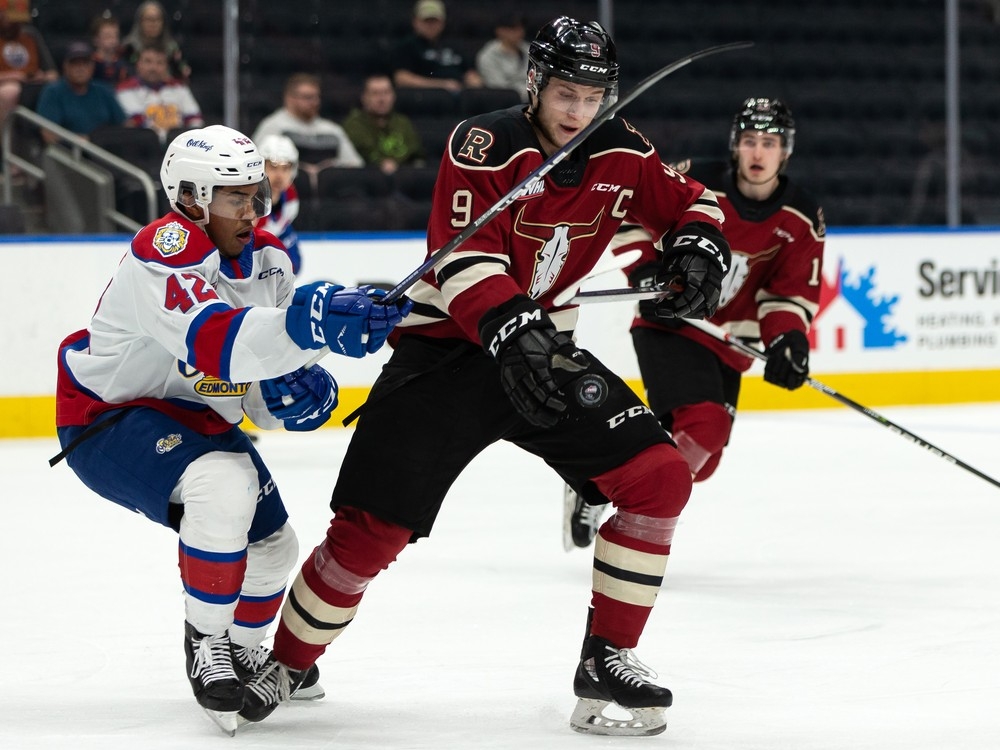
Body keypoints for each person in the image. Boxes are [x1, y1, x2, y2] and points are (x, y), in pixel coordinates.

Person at [238, 17, 731, 738]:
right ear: (534, 83)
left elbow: (693, 201)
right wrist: (512, 327)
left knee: (659, 475)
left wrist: (696, 248)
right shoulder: (484, 143)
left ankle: (609, 656)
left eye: (592, 95)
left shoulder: (624, 150)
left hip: (544, 353)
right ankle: (287, 660)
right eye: (565, 91)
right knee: (368, 535)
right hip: (447, 354)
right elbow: (463, 260)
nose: (577, 110)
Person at [52, 124, 411, 734]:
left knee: (277, 548)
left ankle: (247, 650)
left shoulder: (270, 262)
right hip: (109, 418)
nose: (252, 210)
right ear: (190, 198)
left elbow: (253, 383)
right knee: (224, 485)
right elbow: (216, 343)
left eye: (256, 194)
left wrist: (294, 394)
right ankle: (208, 644)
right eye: (234, 197)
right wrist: (310, 328)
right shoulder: (162, 251)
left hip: (197, 417)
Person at [563, 97, 827, 549]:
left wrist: (788, 340)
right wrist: (646, 271)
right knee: (706, 425)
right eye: (749, 141)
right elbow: (626, 216)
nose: (758, 153)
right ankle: (623, 494)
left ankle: (599, 472)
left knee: (704, 462)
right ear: (734, 146)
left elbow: (786, 293)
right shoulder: (695, 178)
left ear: (786, 151)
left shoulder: (801, 217)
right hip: (673, 321)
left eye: (769, 143)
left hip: (729, 344)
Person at [252, 73, 364, 168]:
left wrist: (330, 169)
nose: (315, 102)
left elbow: (355, 165)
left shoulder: (332, 130)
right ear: (289, 98)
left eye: (317, 97)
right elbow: (257, 165)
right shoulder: (274, 126)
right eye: (308, 97)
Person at [35, 41, 126, 144]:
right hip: (71, 153)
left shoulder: (103, 90)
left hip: (106, 149)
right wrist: (79, 141)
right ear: (65, 66)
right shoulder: (53, 92)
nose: (80, 69)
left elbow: (124, 124)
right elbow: (48, 134)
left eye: (85, 64)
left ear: (92, 67)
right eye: (75, 64)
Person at [116, 42, 203, 142]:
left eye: (159, 63)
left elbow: (195, 120)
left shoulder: (179, 88)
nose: (153, 68)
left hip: (179, 146)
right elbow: (137, 122)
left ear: (166, 66)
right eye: (148, 62)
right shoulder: (125, 89)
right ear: (138, 64)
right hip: (144, 146)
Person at [340, 73, 426, 174]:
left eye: (386, 93)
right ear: (364, 98)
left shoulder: (403, 122)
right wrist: (382, 162)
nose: (381, 99)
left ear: (394, 96)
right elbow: (364, 151)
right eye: (375, 93)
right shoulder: (353, 124)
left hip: (404, 178)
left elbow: (416, 151)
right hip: (368, 178)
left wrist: (396, 163)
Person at [390, 0, 483, 93]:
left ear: (443, 23)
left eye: (435, 21)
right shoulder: (407, 46)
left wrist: (473, 81)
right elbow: (401, 79)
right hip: (427, 97)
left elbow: (470, 72)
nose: (431, 25)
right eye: (426, 21)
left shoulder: (454, 45)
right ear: (415, 22)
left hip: (460, 96)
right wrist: (441, 85)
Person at [0, 0, 57, 125]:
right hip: (6, 85)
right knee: (10, 92)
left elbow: (52, 72)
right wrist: (12, 76)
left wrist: (42, 76)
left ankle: (50, 139)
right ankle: (5, 140)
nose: (13, 21)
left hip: (33, 83)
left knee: (56, 87)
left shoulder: (30, 34)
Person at [256, 134, 303, 274]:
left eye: (285, 168)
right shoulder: (248, 203)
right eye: (273, 167)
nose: (279, 176)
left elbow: (295, 265)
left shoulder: (290, 197)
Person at [120, 0, 190, 82]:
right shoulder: (128, 48)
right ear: (140, 22)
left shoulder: (172, 49)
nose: (153, 24)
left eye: (157, 19)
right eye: (149, 19)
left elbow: (182, 75)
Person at [475, 12, 530, 102]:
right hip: (505, 106)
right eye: (513, 29)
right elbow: (500, 90)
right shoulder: (488, 56)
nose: (520, 32)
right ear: (500, 31)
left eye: (521, 28)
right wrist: (531, 93)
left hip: (534, 103)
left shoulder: (530, 49)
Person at [90, 13, 130, 87]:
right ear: (96, 39)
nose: (112, 40)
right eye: (107, 36)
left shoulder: (122, 65)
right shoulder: (90, 64)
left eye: (115, 36)